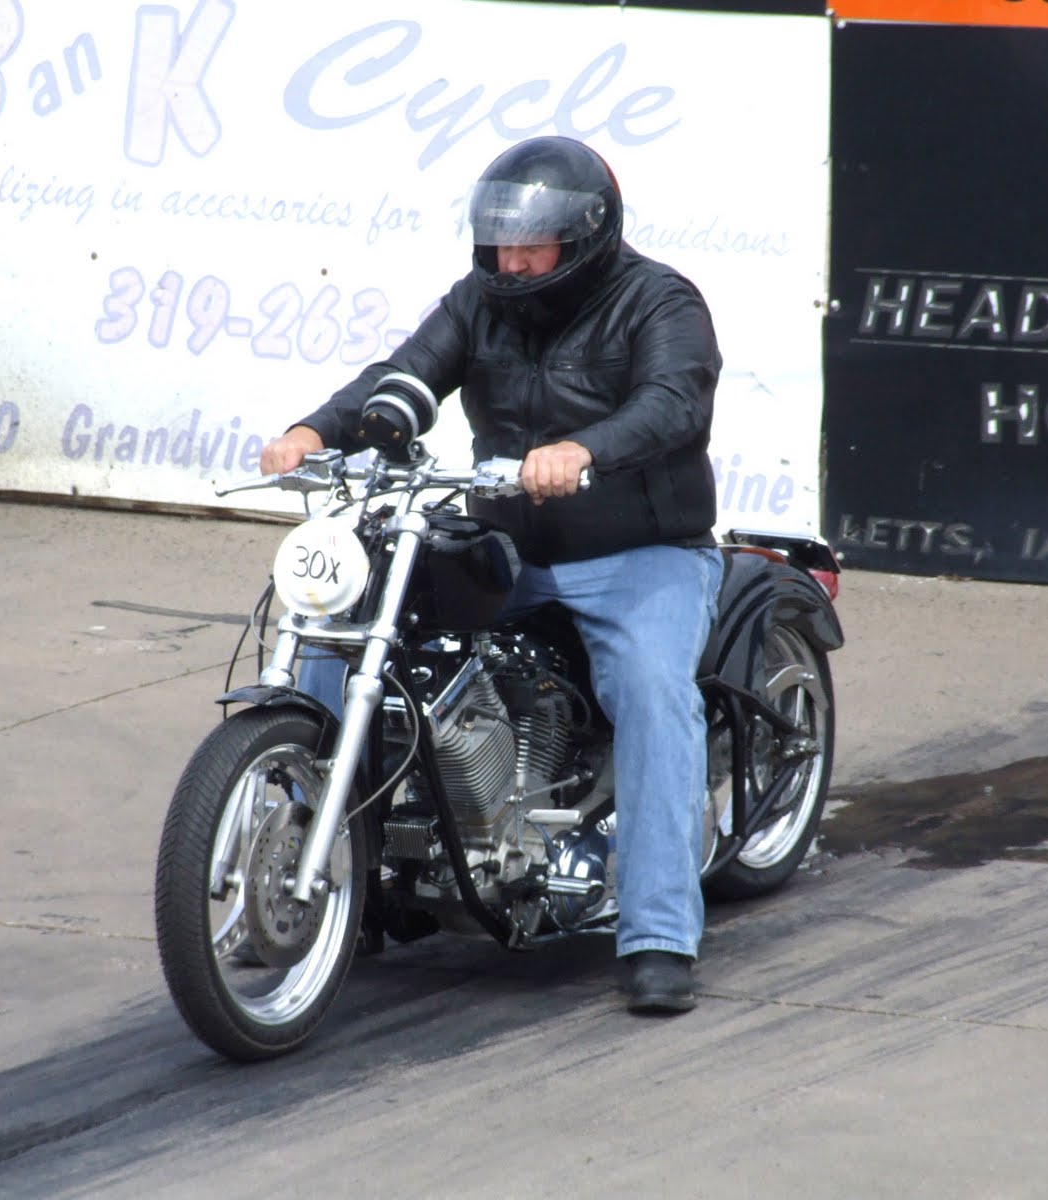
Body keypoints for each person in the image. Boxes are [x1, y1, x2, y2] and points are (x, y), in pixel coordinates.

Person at [261, 135, 723, 1014]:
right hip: (510, 546)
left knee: (655, 692)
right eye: (501, 245)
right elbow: (407, 373)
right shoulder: (481, 301)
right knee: (358, 628)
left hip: (640, 552)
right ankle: (322, 859)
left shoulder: (658, 300)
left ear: (585, 239)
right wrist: (316, 432)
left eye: (531, 247)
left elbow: (674, 403)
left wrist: (584, 449)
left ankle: (660, 931)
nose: (512, 263)